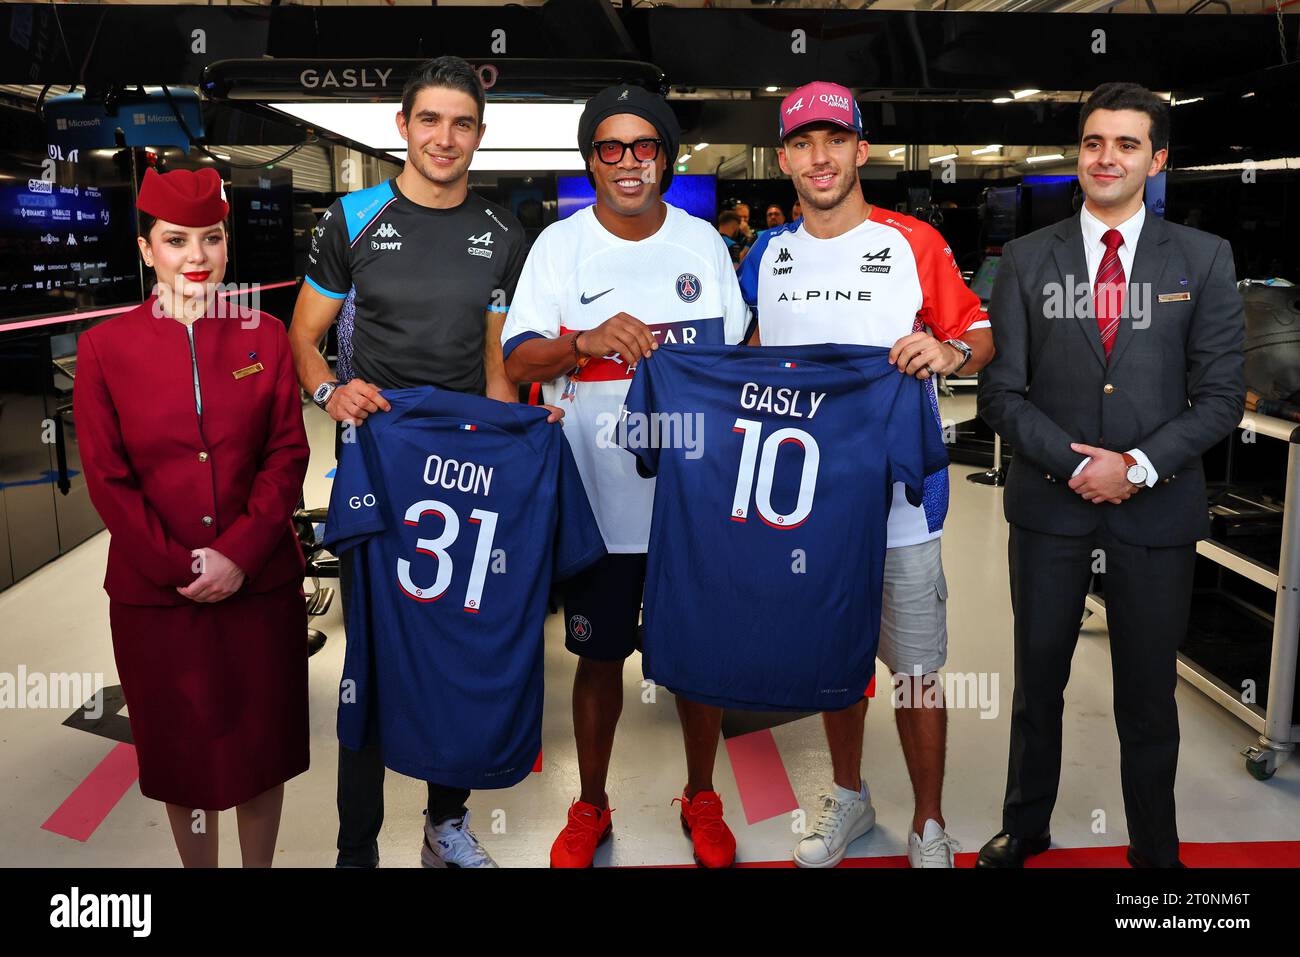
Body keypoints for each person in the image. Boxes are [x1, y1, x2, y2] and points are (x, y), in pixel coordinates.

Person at [288, 55, 549, 869]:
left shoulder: (504, 233)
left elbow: (497, 357)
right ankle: (356, 845)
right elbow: (304, 336)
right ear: (402, 127)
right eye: (429, 120)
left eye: (462, 123)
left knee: (455, 643)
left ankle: (446, 823)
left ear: (480, 133)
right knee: (370, 656)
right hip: (378, 466)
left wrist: (515, 454)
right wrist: (331, 391)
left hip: (465, 472)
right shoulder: (353, 219)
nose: (445, 137)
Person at [976, 82, 1245, 868]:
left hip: (1156, 512)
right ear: (1079, 154)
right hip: (1050, 510)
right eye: (1095, 142)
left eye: (1127, 144)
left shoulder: (1203, 258)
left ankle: (1155, 849)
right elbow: (1001, 392)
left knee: (1148, 695)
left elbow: (1222, 395)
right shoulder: (1026, 261)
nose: (1107, 157)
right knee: (1038, 683)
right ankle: (1025, 824)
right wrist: (1075, 464)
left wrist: (1136, 464)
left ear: (1156, 159)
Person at [738, 81, 993, 868]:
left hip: (900, 504)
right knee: (834, 660)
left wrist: (950, 354)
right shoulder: (766, 254)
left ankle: (928, 822)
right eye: (804, 144)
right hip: (804, 504)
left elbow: (979, 333)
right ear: (785, 159)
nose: (821, 157)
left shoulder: (913, 241)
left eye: (835, 141)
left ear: (861, 149)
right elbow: (741, 359)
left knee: (916, 669)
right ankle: (849, 795)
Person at [502, 84, 751, 869]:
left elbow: (737, 361)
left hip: (689, 499)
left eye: (645, 146)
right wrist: (582, 340)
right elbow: (517, 358)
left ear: (667, 158)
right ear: (591, 161)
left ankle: (701, 794)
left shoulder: (703, 245)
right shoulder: (559, 247)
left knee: (700, 659)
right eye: (611, 148)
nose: (629, 163)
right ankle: (591, 803)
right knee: (597, 657)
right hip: (598, 499)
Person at [74, 166, 311, 867]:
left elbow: (286, 454)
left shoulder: (263, 336)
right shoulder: (105, 350)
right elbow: (108, 480)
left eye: (212, 238)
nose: (198, 257)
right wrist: (182, 565)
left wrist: (238, 551)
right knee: (185, 756)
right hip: (158, 596)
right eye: (176, 241)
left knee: (260, 750)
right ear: (147, 250)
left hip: (259, 584)